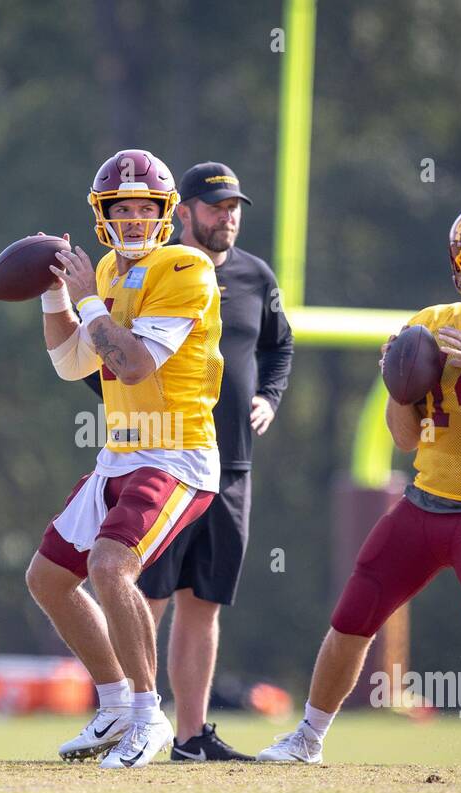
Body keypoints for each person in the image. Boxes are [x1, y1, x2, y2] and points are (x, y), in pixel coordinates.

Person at [258, 202, 461, 767]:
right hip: (428, 500)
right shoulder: (428, 324)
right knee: (355, 608)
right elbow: (405, 439)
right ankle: (308, 737)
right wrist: (397, 387)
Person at [82, 162, 294, 761]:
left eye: (235, 207)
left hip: (230, 465)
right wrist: (127, 401)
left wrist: (269, 398)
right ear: (188, 211)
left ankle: (189, 735)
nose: (227, 216)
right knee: (142, 591)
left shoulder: (256, 275)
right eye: (216, 206)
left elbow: (280, 345)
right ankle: (129, 717)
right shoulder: (156, 267)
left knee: (204, 600)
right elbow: (112, 353)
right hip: (160, 456)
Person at [25, 149, 223, 769]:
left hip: (177, 453)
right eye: (122, 209)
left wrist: (87, 300)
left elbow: (135, 363)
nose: (133, 220)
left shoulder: (186, 265)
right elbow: (71, 364)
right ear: (102, 214)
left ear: (165, 214)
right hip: (122, 452)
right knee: (48, 579)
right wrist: (56, 296)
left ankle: (148, 714)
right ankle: (114, 702)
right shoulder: (106, 270)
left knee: (112, 567)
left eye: (144, 209)